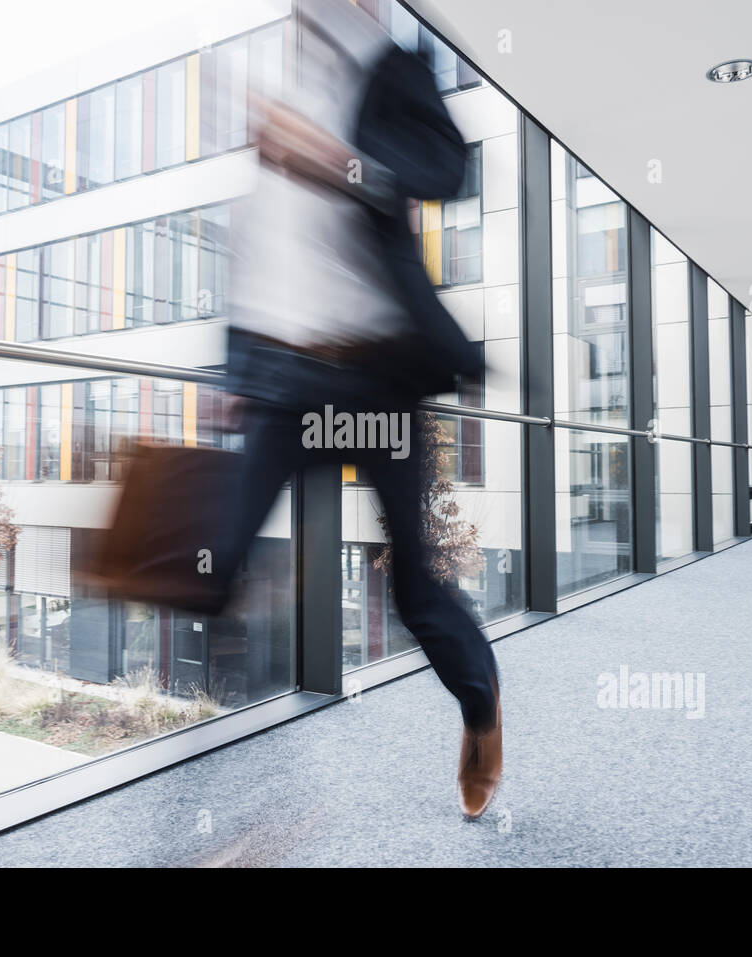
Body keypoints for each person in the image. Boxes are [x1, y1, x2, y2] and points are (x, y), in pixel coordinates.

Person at [214, 0, 502, 819]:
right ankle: (240, 815)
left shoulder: (394, 65)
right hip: (286, 379)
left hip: (376, 375)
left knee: (411, 589)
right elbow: (255, 244)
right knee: (211, 562)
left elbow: (448, 174)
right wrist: (237, 368)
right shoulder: (281, 84)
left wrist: (338, 164)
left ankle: (480, 702)